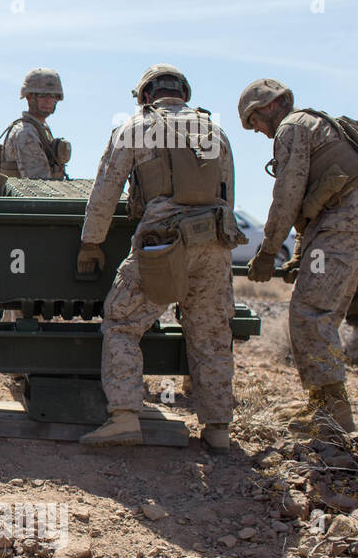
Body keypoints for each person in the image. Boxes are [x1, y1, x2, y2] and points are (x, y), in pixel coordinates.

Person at [78, 64, 245, 450]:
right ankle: (218, 429)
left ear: (145, 96)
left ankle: (124, 417)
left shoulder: (136, 127)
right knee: (212, 334)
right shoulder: (214, 130)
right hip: (214, 243)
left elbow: (105, 190)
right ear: (184, 93)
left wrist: (91, 242)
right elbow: (227, 196)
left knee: (122, 323)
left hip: (163, 243)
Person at [238, 77, 358, 434]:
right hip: (351, 225)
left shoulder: (291, 128)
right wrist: (299, 255)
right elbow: (312, 205)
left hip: (343, 225)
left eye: (254, 121)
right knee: (324, 315)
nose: (258, 130)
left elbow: (288, 195)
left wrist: (268, 252)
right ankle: (323, 403)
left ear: (269, 106)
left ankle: (334, 414)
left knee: (309, 314)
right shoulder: (316, 124)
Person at [0, 68, 70, 180]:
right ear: (29, 97)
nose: (48, 100)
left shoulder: (41, 129)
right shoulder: (25, 133)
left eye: (52, 95)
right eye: (42, 95)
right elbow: (39, 182)